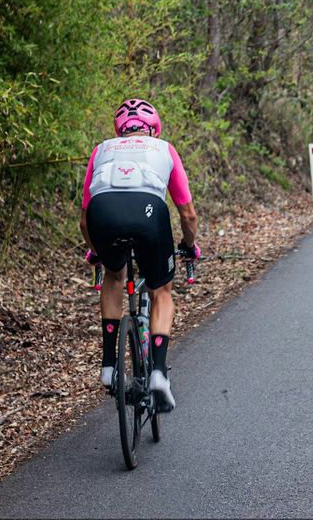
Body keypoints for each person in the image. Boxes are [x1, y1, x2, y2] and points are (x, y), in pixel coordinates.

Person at [79, 98, 200, 412]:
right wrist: (188, 246)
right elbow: (187, 213)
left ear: (119, 131)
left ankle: (109, 366)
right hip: (148, 213)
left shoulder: (101, 149)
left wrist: (96, 253)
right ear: (154, 128)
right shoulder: (164, 149)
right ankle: (158, 373)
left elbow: (83, 219)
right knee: (161, 289)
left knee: (114, 275)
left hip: (101, 214)